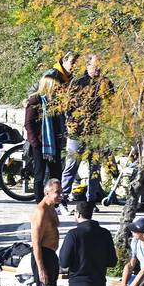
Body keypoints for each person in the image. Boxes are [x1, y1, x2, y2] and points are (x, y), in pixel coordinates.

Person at [60, 54, 112, 202]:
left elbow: (112, 106)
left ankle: (90, 201)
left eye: (100, 66)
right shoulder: (78, 82)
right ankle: (62, 199)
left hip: (96, 132)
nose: (98, 69)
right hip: (77, 132)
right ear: (88, 66)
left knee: (94, 168)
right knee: (71, 166)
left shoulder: (106, 83)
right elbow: (68, 107)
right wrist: (72, 125)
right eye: (95, 66)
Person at [28, 178, 64, 286]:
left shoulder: (52, 209)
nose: (60, 195)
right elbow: (36, 243)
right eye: (57, 192)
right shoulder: (41, 211)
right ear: (47, 192)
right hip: (42, 255)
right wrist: (41, 267)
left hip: (50, 255)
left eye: (61, 192)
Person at [24, 75, 66, 204]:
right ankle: (40, 204)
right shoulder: (35, 102)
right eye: (54, 86)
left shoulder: (56, 102)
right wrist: (35, 142)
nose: (57, 89)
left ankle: (54, 202)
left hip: (54, 144)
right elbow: (28, 123)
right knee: (39, 176)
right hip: (40, 145)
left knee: (56, 174)